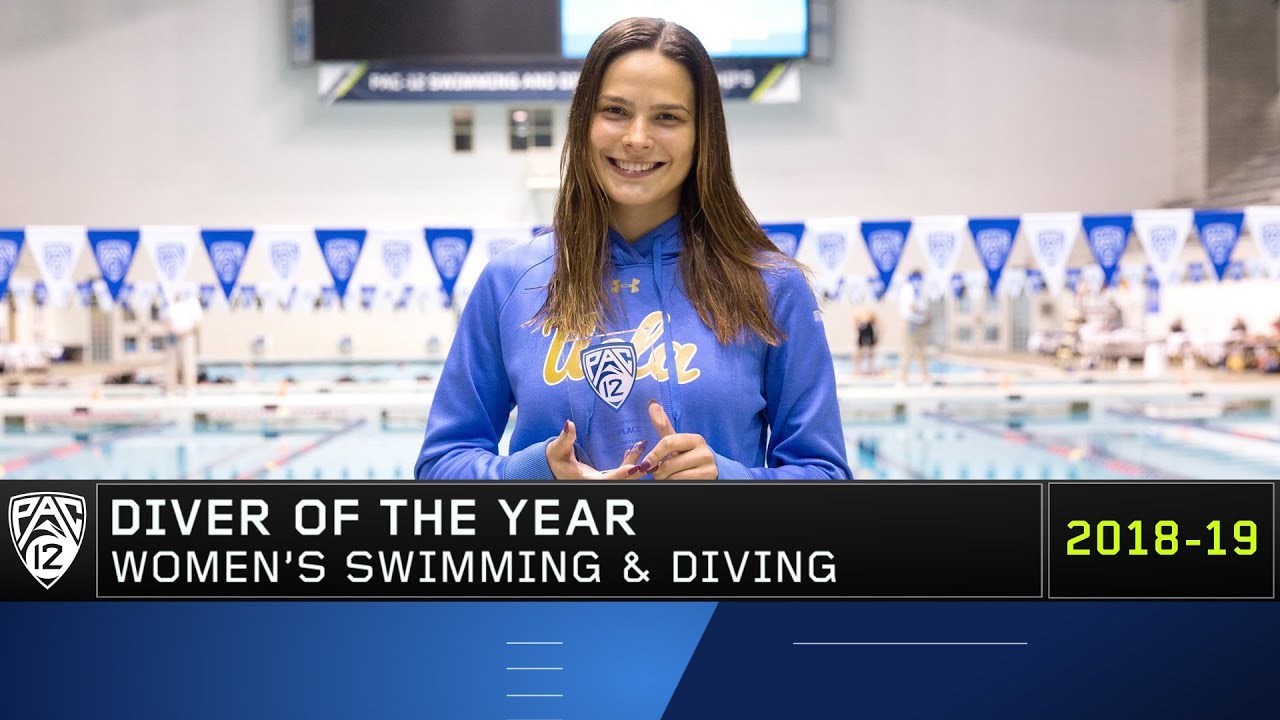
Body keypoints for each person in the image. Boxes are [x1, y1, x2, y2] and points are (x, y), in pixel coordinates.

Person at [414, 17, 850, 480]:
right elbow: (442, 464)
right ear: (584, 123)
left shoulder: (770, 286)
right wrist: (535, 472)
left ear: (703, 134)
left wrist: (729, 480)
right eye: (616, 111)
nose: (637, 138)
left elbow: (825, 474)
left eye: (667, 117)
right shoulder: (511, 282)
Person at [896, 270, 932, 384]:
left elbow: (921, 305)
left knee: (922, 352)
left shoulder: (921, 289)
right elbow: (912, 306)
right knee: (907, 352)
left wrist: (926, 317)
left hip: (920, 323)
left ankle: (925, 377)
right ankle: (902, 378)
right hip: (910, 323)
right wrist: (924, 314)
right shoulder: (908, 288)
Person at [853, 306, 878, 375]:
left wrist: (877, 336)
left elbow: (877, 324)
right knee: (859, 352)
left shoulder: (871, 315)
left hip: (869, 332)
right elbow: (855, 325)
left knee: (871, 352)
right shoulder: (857, 314)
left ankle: (871, 368)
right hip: (863, 332)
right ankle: (858, 369)